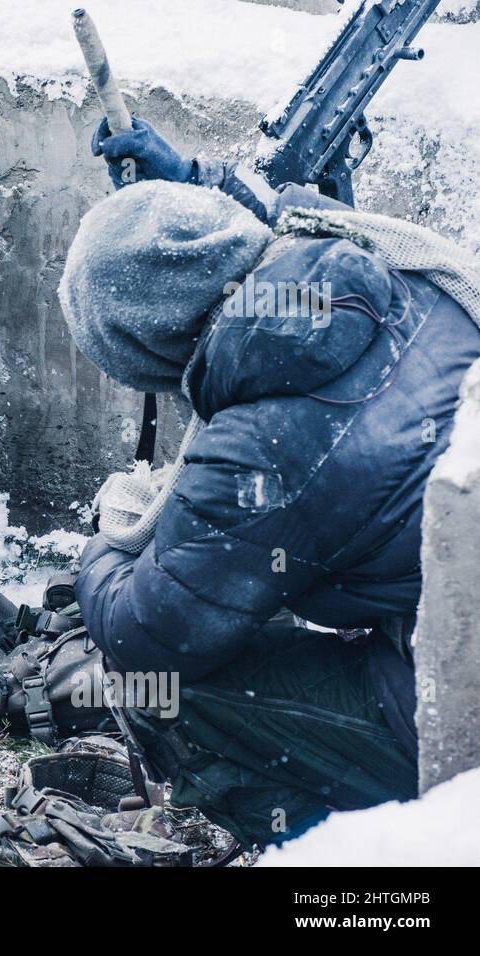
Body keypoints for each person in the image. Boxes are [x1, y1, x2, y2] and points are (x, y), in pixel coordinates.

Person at [61, 118, 480, 845]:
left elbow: (151, 635)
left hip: (460, 712)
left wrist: (107, 539)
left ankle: (322, 837)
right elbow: (266, 217)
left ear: (138, 352)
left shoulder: (257, 447)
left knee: (161, 691)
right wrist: (197, 181)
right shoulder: (378, 264)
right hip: (455, 634)